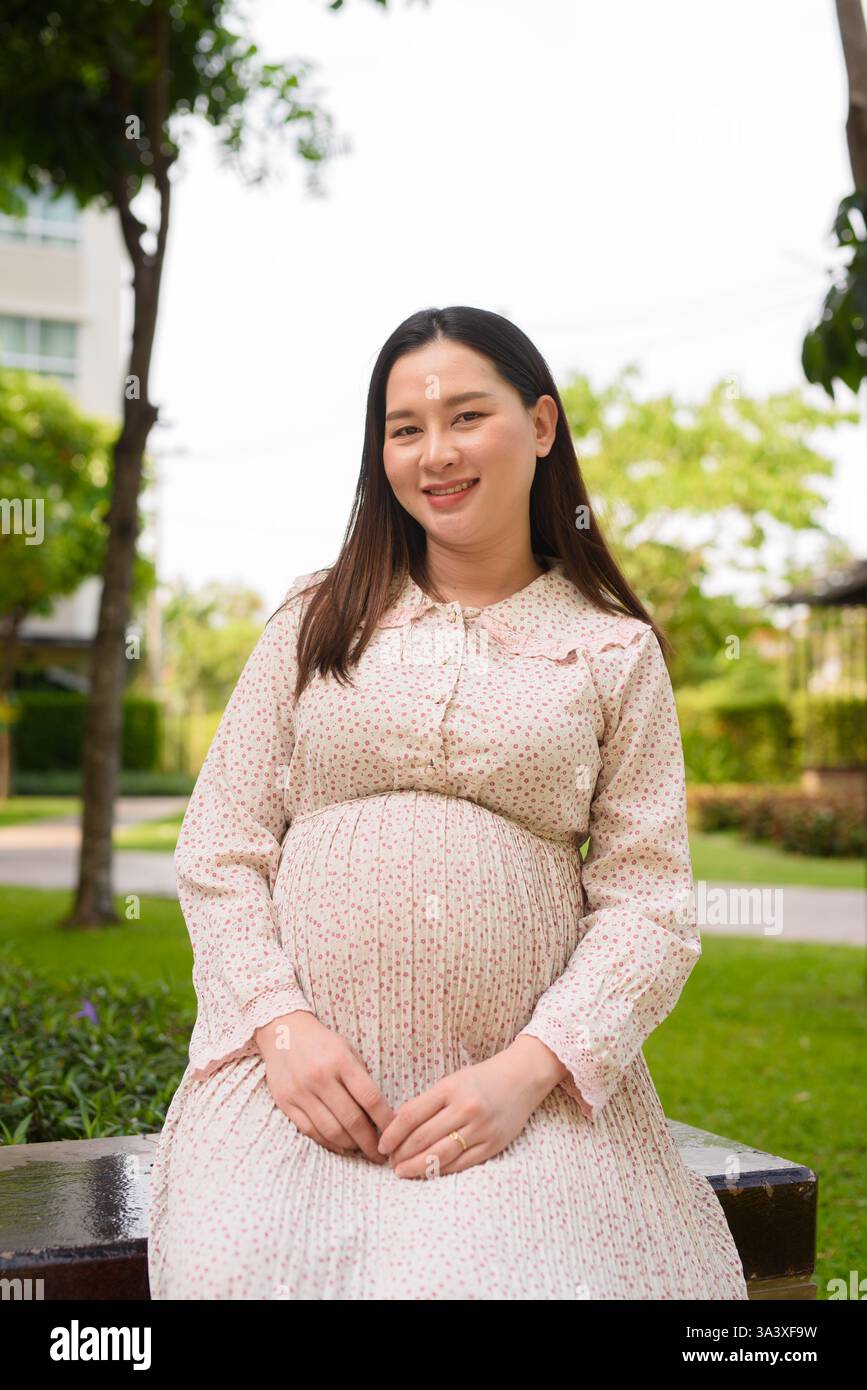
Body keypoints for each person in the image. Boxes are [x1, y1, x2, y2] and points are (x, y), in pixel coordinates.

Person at [147, 305, 749, 1300]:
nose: (436, 452)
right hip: (293, 1089)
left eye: (467, 415)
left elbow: (650, 904)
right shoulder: (313, 617)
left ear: (543, 426)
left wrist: (527, 1072)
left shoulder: (611, 650)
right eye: (405, 427)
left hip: (526, 1103)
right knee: (243, 1274)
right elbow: (219, 848)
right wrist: (279, 1025)